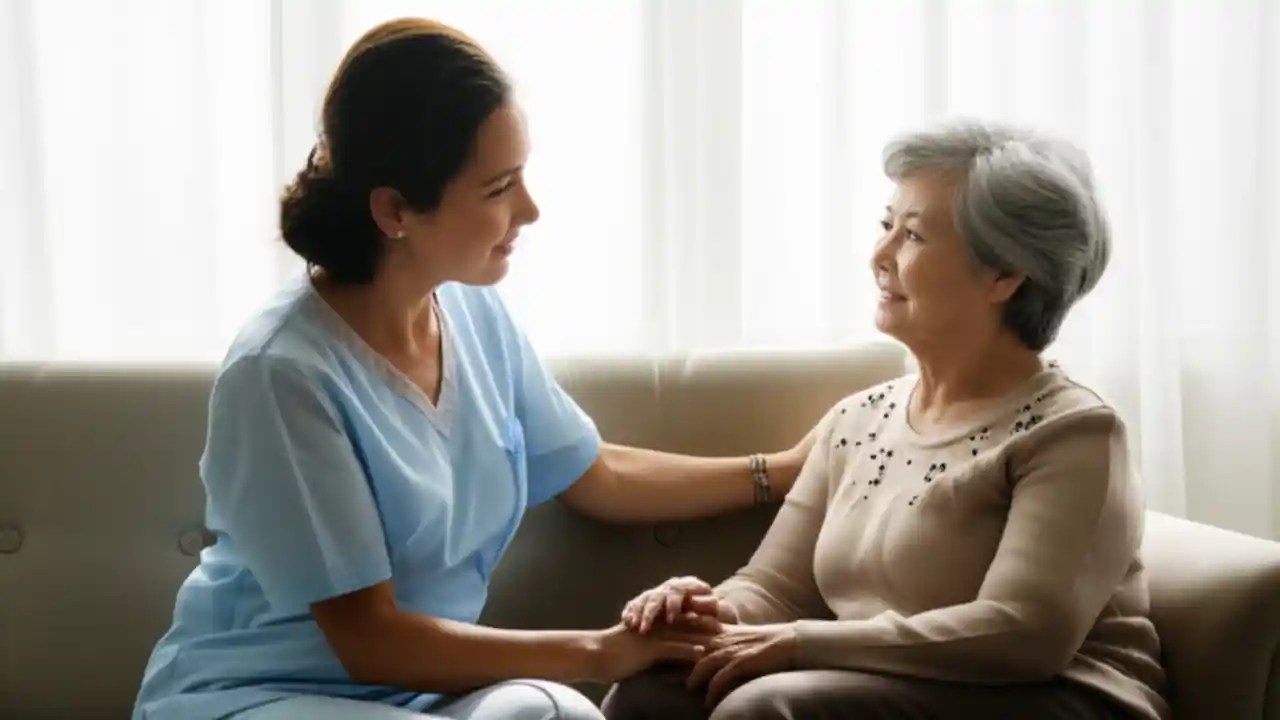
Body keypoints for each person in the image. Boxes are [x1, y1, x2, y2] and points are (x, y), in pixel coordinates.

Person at [131, 18, 809, 720]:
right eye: (499, 188)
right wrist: (603, 651)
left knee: (556, 715)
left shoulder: (474, 315)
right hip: (256, 698)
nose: (531, 209)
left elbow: (596, 476)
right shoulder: (281, 375)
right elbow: (368, 639)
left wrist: (785, 471)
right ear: (395, 209)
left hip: (423, 698)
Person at [603, 121, 1172, 720]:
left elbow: (1024, 634)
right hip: (883, 683)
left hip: (1060, 696)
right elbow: (774, 589)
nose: (879, 256)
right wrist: (703, 614)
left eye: (915, 236)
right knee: (653, 692)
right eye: (886, 226)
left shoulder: (1074, 434)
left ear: (1004, 274)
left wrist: (801, 644)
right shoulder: (858, 418)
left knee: (767, 710)